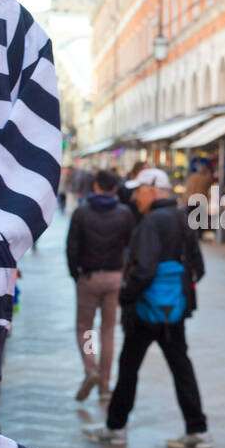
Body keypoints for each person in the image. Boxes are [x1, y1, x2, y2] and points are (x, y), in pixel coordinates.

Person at [82, 168, 211, 448]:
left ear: (152, 190)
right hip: (174, 312)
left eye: (138, 190)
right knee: (181, 366)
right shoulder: (183, 219)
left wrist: (127, 298)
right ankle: (198, 429)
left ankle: (115, 427)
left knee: (129, 367)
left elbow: (144, 270)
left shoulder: (151, 222)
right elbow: (198, 269)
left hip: (145, 311)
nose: (134, 196)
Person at [66, 169, 136, 406]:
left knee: (85, 327)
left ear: (96, 186)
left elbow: (71, 247)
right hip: (115, 277)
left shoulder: (82, 212)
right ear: (115, 188)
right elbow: (130, 246)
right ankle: (105, 386)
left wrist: (75, 273)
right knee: (108, 331)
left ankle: (90, 367)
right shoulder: (125, 214)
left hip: (88, 276)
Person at [184, 164, 214, 240]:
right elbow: (209, 190)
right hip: (201, 200)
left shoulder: (192, 177)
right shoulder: (207, 179)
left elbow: (187, 188)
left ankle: (190, 234)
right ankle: (199, 235)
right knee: (201, 219)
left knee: (190, 217)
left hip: (190, 199)